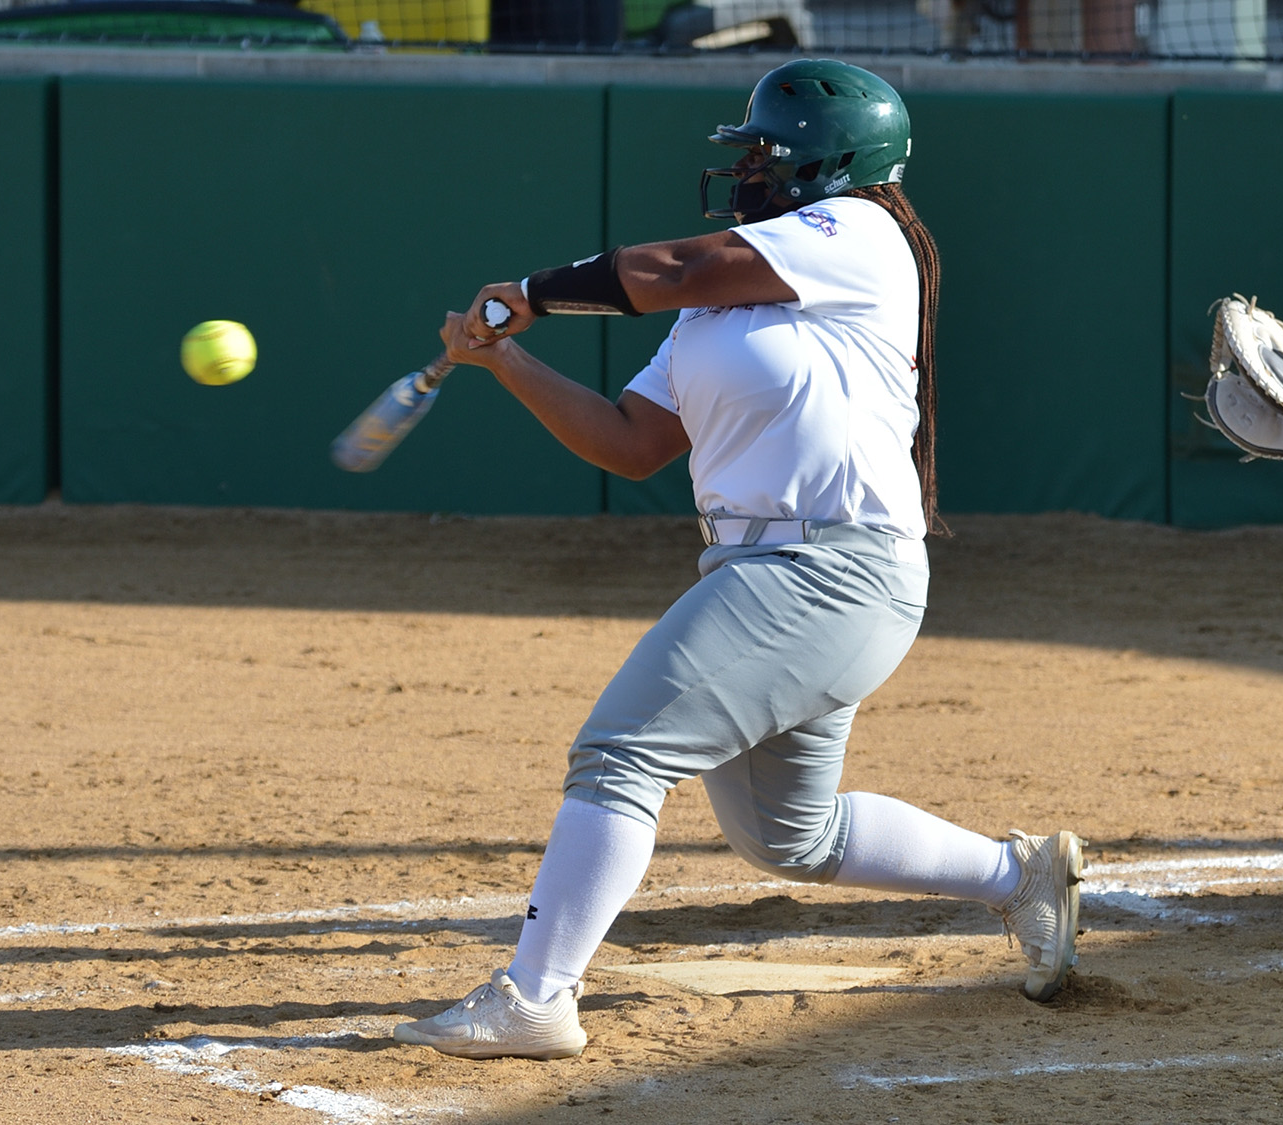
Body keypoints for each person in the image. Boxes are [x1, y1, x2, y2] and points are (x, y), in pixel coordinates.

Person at [388, 59, 1084, 1061]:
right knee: (788, 839)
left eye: (764, 149)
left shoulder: (859, 235)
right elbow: (631, 441)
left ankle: (534, 996)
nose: (747, 165)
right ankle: (1020, 876)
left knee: (620, 753)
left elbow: (669, 268)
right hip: (760, 574)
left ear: (825, 161)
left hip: (830, 568)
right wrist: (506, 359)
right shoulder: (719, 309)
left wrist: (534, 293)